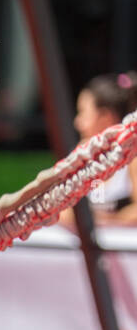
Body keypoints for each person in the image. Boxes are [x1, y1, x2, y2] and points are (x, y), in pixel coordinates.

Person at [57, 72, 137, 229]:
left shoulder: (132, 157)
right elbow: (61, 210)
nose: (77, 123)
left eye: (82, 113)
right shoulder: (79, 157)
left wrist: (106, 220)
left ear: (106, 118)